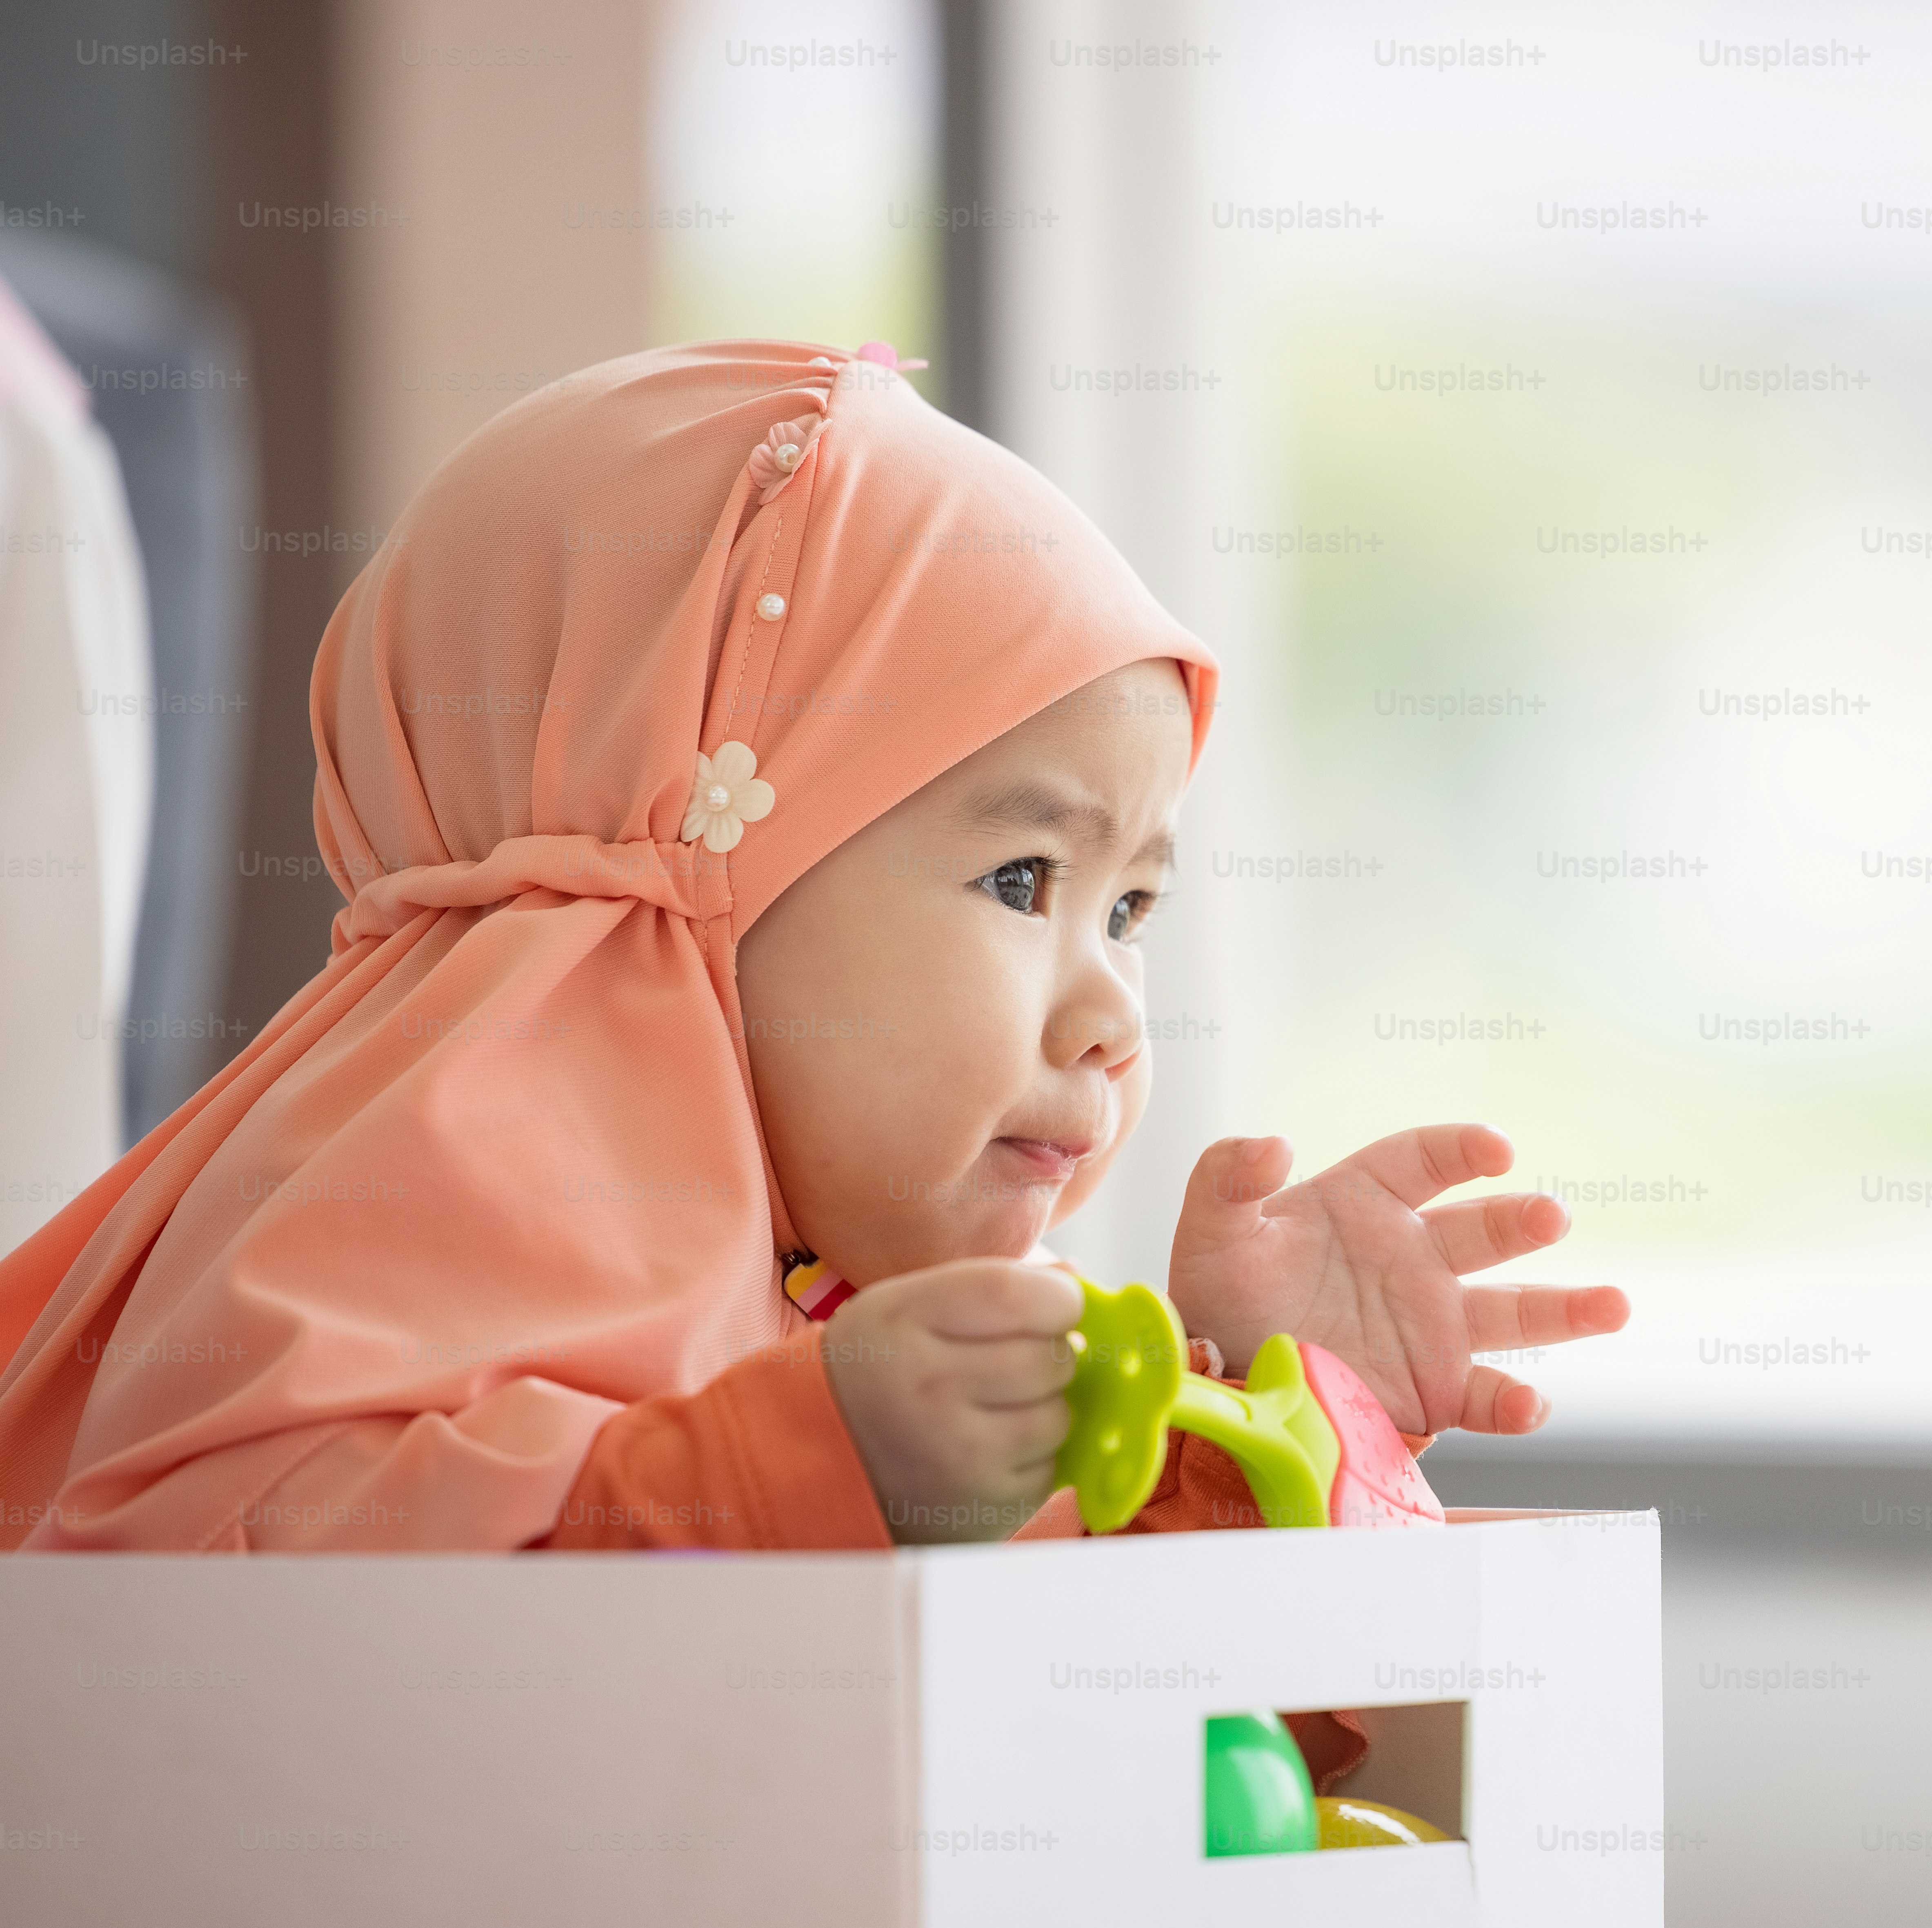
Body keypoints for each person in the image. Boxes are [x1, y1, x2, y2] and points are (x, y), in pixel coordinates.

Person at [0, 339, 1628, 1556]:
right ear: (683, 877)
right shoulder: (390, 1203)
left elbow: (1100, 1749)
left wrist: (1221, 1430)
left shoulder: (873, 1298)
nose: (1115, 1020)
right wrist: (786, 1464)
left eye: (1130, 911)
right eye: (1018, 882)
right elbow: (211, 1621)